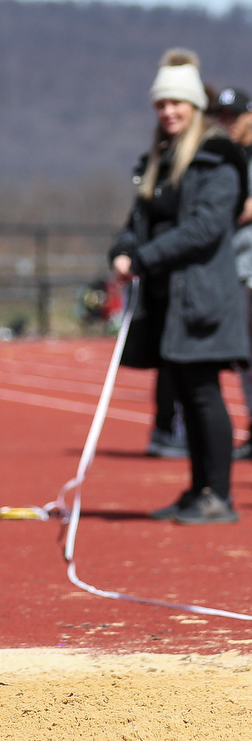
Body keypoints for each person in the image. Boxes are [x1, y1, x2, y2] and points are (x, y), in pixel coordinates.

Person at [109, 50, 250, 524]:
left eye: (177, 103)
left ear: (195, 106)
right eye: (161, 104)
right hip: (167, 302)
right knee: (188, 395)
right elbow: (138, 221)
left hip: (204, 297)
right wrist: (123, 250)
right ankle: (197, 491)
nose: (168, 112)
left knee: (205, 394)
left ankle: (219, 497)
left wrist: (144, 257)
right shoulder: (158, 159)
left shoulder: (217, 156)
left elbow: (208, 227)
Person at [208, 86, 252, 461]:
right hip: (236, 266)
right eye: (222, 118)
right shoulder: (229, 157)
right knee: (246, 355)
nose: (228, 124)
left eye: (234, 116)